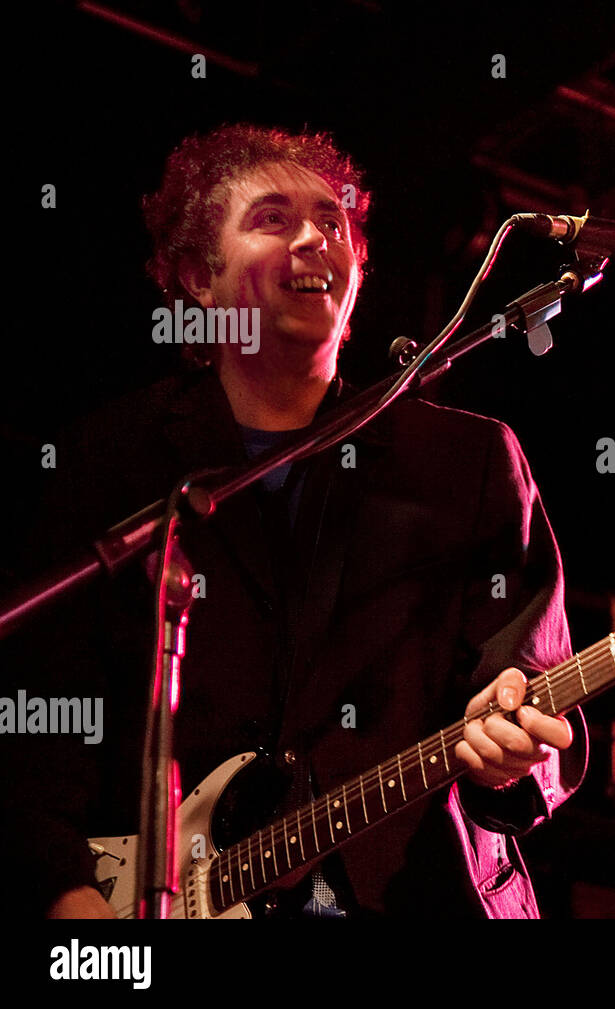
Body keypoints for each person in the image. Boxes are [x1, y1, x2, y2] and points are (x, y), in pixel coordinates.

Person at [0, 124, 585, 918]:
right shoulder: (114, 461)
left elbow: (540, 692)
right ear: (197, 279)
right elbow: (39, 720)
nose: (316, 236)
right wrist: (68, 892)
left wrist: (513, 749)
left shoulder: (469, 458)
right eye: (272, 218)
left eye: (335, 222)